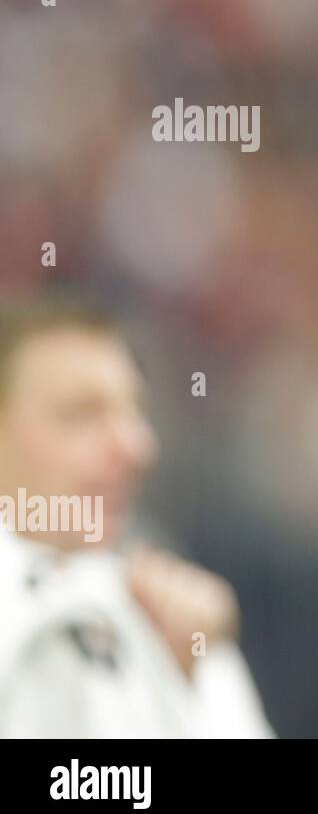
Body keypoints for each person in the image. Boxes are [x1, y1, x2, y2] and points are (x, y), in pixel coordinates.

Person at [0, 297, 274, 738]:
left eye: (134, 412)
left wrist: (186, 679)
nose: (137, 447)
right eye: (81, 414)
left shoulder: (168, 618)